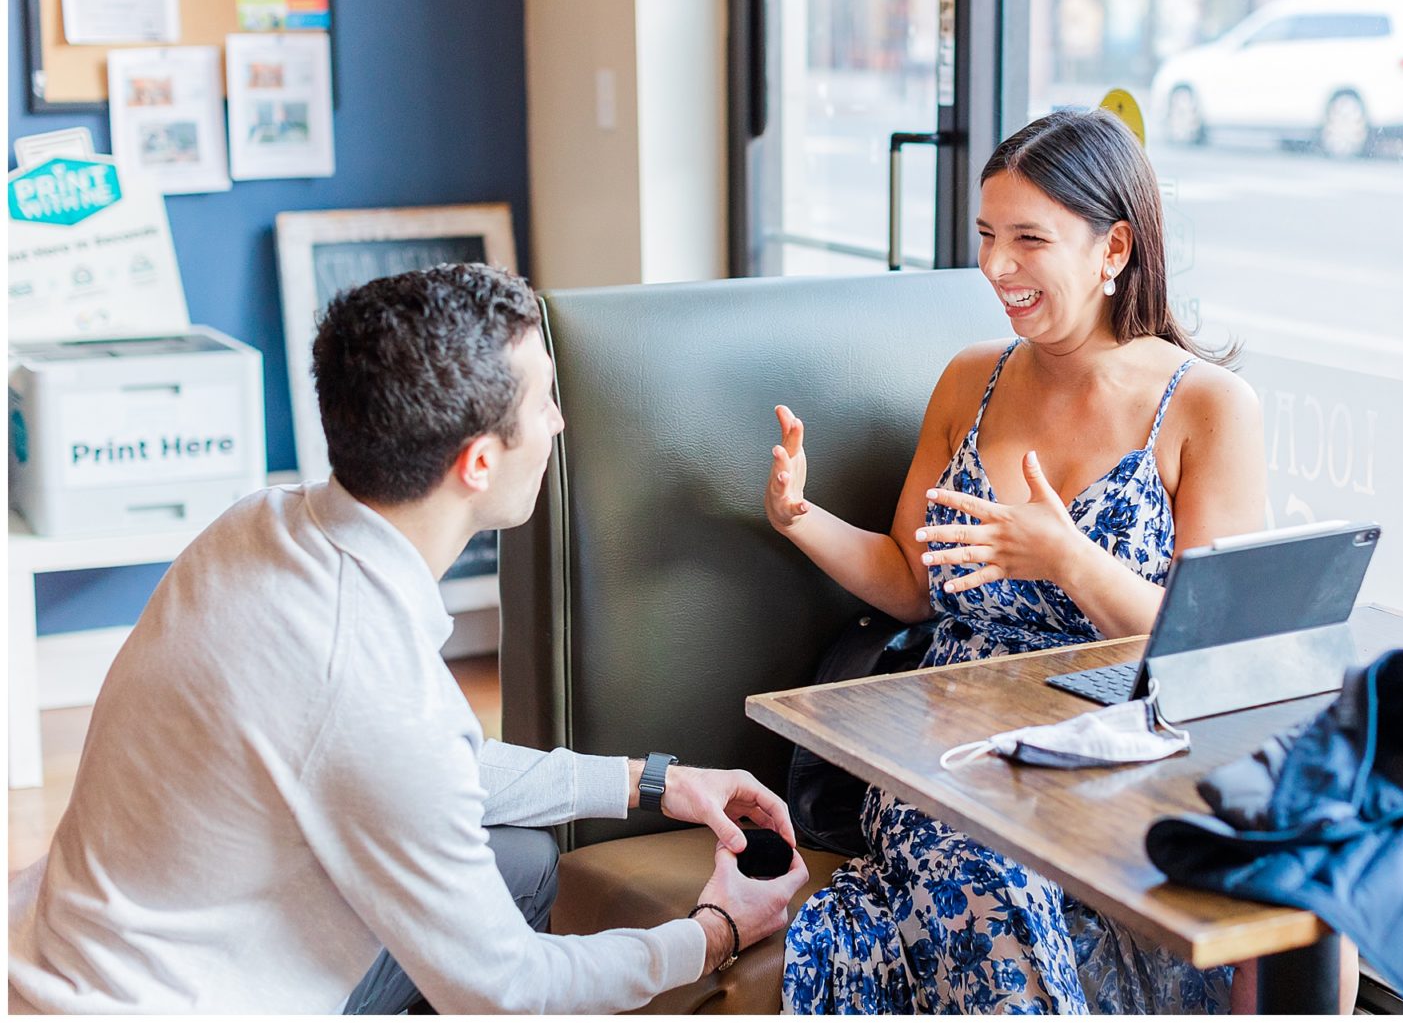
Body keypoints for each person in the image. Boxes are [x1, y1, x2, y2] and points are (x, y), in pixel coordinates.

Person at [8, 263, 809, 1014]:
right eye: (544, 403)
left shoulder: (258, 524)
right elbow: (507, 988)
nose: (560, 422)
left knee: (522, 860)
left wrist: (654, 780)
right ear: (479, 462)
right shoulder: (365, 677)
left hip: (80, 949)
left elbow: (428, 763)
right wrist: (712, 931)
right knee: (513, 889)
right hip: (176, 1004)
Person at [767, 109, 1272, 1013]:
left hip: (1118, 759)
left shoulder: (1207, 408)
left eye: (1028, 239)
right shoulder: (972, 378)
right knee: (978, 856)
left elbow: (1213, 649)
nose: (997, 268)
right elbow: (912, 583)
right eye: (987, 237)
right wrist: (801, 517)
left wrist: (1067, 559)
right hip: (947, 756)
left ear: (1113, 248)